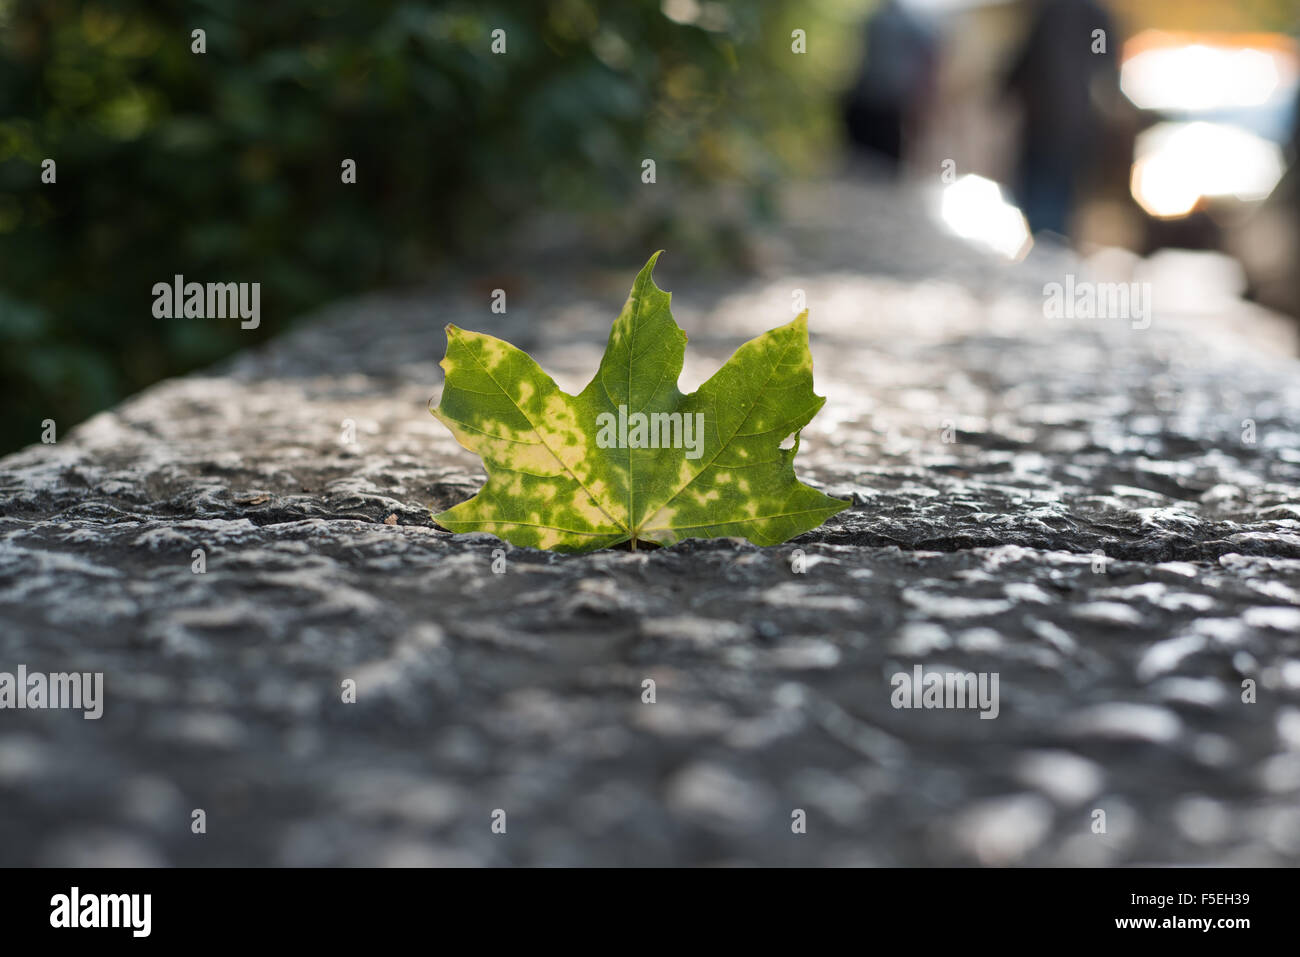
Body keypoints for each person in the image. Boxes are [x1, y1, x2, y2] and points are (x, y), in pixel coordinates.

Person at [1003, 0, 1120, 236]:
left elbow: (1023, 61)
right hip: (1076, 126)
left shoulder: (1048, 10)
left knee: (1042, 198)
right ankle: (1052, 252)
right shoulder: (1097, 14)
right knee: (1059, 199)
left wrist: (1002, 91)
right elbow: (1107, 71)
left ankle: (1045, 251)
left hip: (1046, 124)